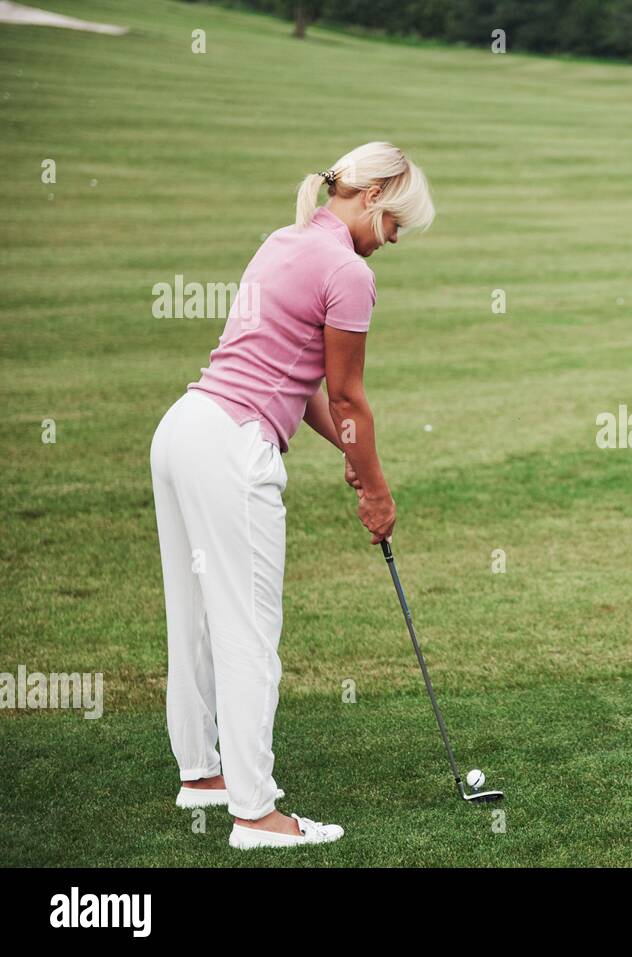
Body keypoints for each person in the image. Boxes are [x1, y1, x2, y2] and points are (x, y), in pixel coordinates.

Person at [149, 142, 434, 849]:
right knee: (249, 635)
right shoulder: (348, 270)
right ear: (372, 197)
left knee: (196, 619)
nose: (393, 240)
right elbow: (347, 395)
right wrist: (376, 489)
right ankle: (256, 815)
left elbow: (301, 383)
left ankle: (203, 775)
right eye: (396, 223)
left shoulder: (284, 241)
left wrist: (346, 448)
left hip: (184, 429)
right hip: (232, 448)